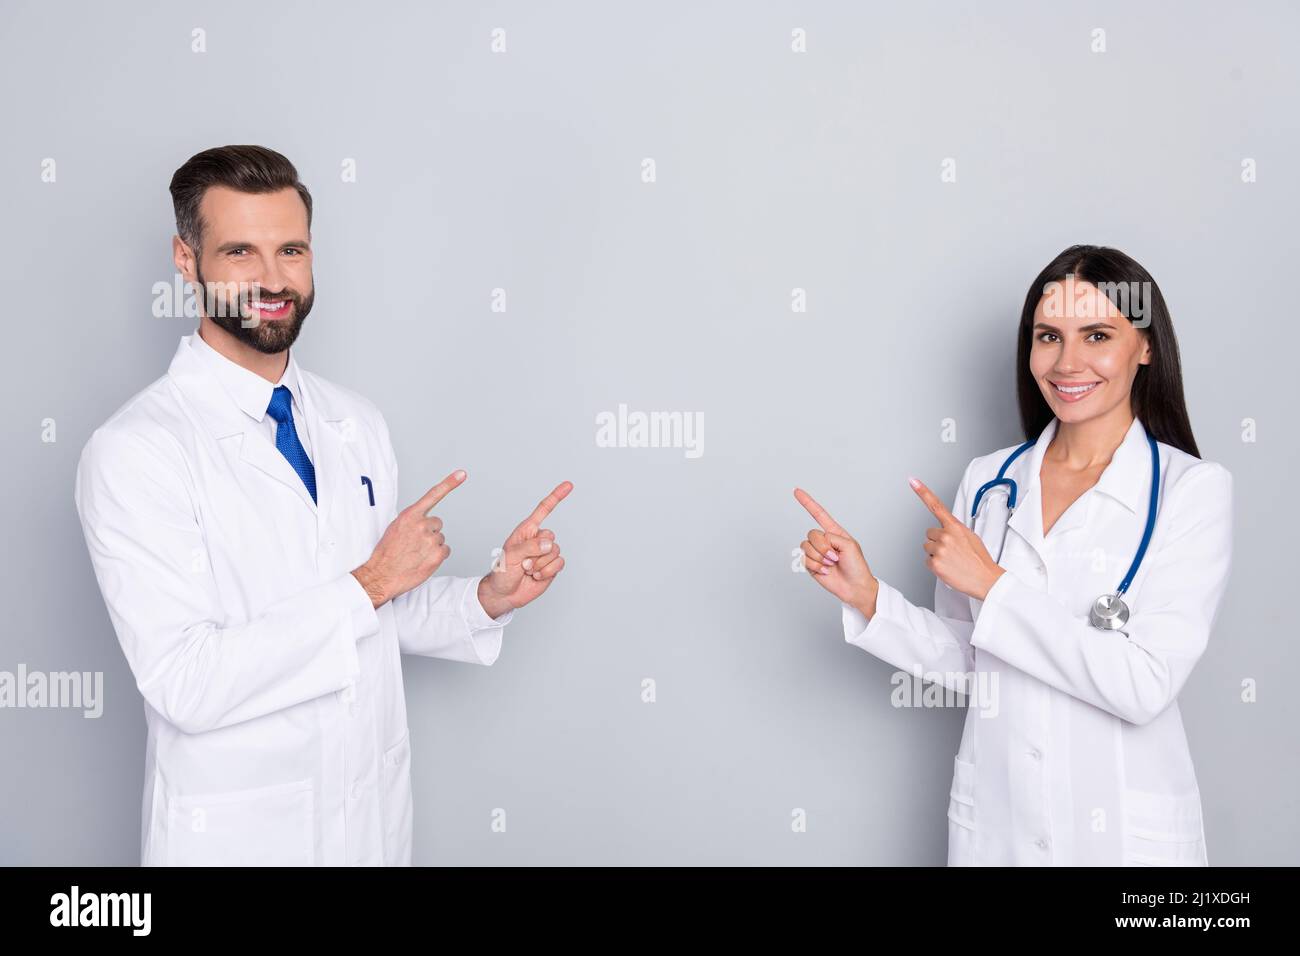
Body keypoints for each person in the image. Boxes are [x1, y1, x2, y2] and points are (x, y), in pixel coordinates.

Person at [74, 145, 571, 866]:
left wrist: (488, 597)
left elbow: (375, 616)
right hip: (237, 839)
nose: (274, 280)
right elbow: (186, 681)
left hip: (367, 828)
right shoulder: (136, 451)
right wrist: (371, 582)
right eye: (240, 252)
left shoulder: (355, 421)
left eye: (291, 250)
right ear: (186, 259)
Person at [794, 245, 1233, 866]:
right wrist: (869, 598)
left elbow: (1144, 685)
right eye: (1048, 336)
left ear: (1145, 347)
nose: (1067, 362)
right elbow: (974, 663)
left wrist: (994, 585)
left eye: (1097, 335)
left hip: (1123, 836)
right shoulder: (988, 481)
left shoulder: (1191, 490)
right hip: (1000, 824)